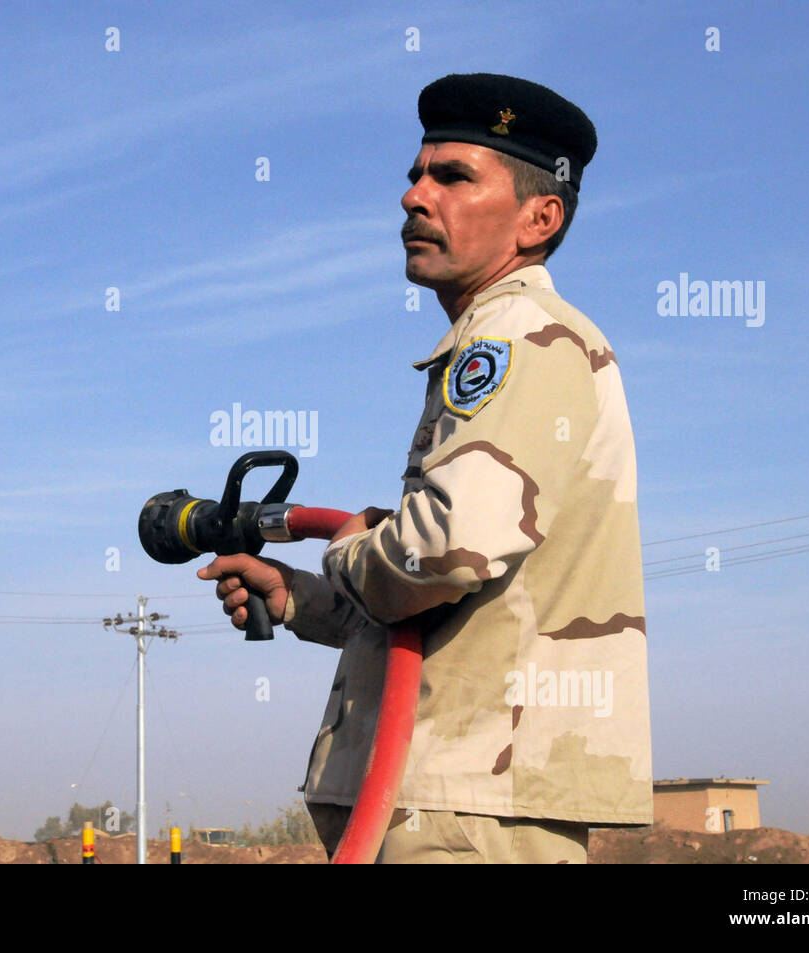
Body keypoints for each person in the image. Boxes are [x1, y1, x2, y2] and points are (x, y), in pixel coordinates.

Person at [197, 73, 651, 863]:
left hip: (469, 803)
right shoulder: (498, 339)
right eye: (415, 174)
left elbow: (447, 547)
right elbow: (438, 597)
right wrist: (302, 597)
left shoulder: (521, 337)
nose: (414, 196)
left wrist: (345, 547)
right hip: (445, 794)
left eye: (453, 177)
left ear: (539, 217)